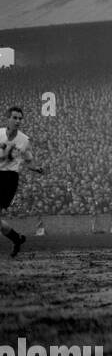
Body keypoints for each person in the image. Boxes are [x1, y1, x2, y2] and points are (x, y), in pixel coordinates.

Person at [1, 105, 45, 257]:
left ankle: (16, 239)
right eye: (14, 117)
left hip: (9, 179)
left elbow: (28, 160)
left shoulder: (24, 140)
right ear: (8, 118)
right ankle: (17, 238)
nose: (18, 121)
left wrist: (36, 168)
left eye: (20, 118)